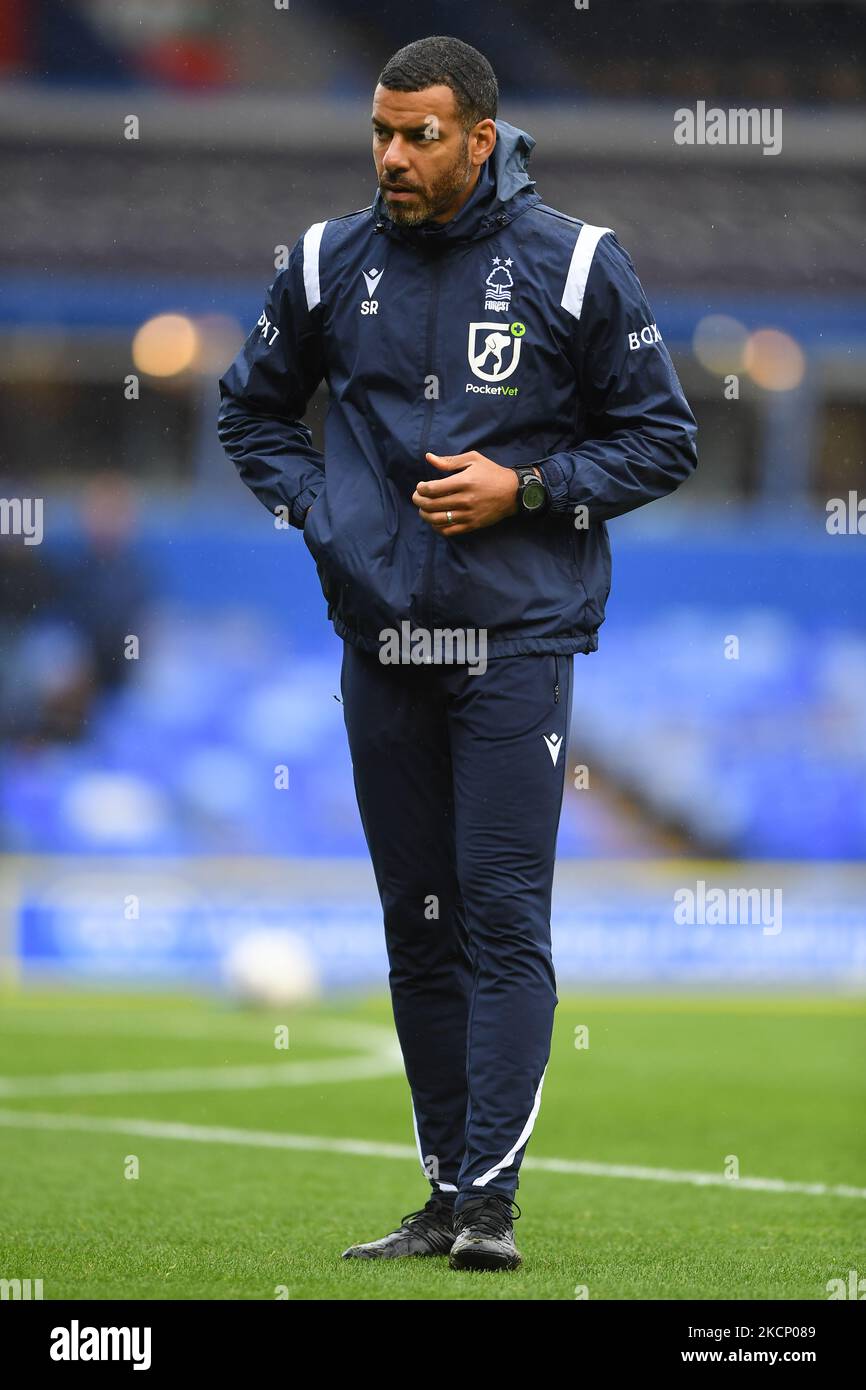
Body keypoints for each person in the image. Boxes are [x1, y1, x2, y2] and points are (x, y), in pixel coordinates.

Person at [218, 34, 697, 1272]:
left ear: (479, 138)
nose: (391, 155)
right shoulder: (327, 261)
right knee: (416, 924)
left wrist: (523, 488)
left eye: (418, 134)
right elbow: (250, 409)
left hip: (513, 642)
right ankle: (442, 1189)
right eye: (379, 132)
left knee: (497, 914)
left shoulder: (576, 263)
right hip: (381, 637)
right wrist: (322, 516)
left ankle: (488, 1198)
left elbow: (661, 440)